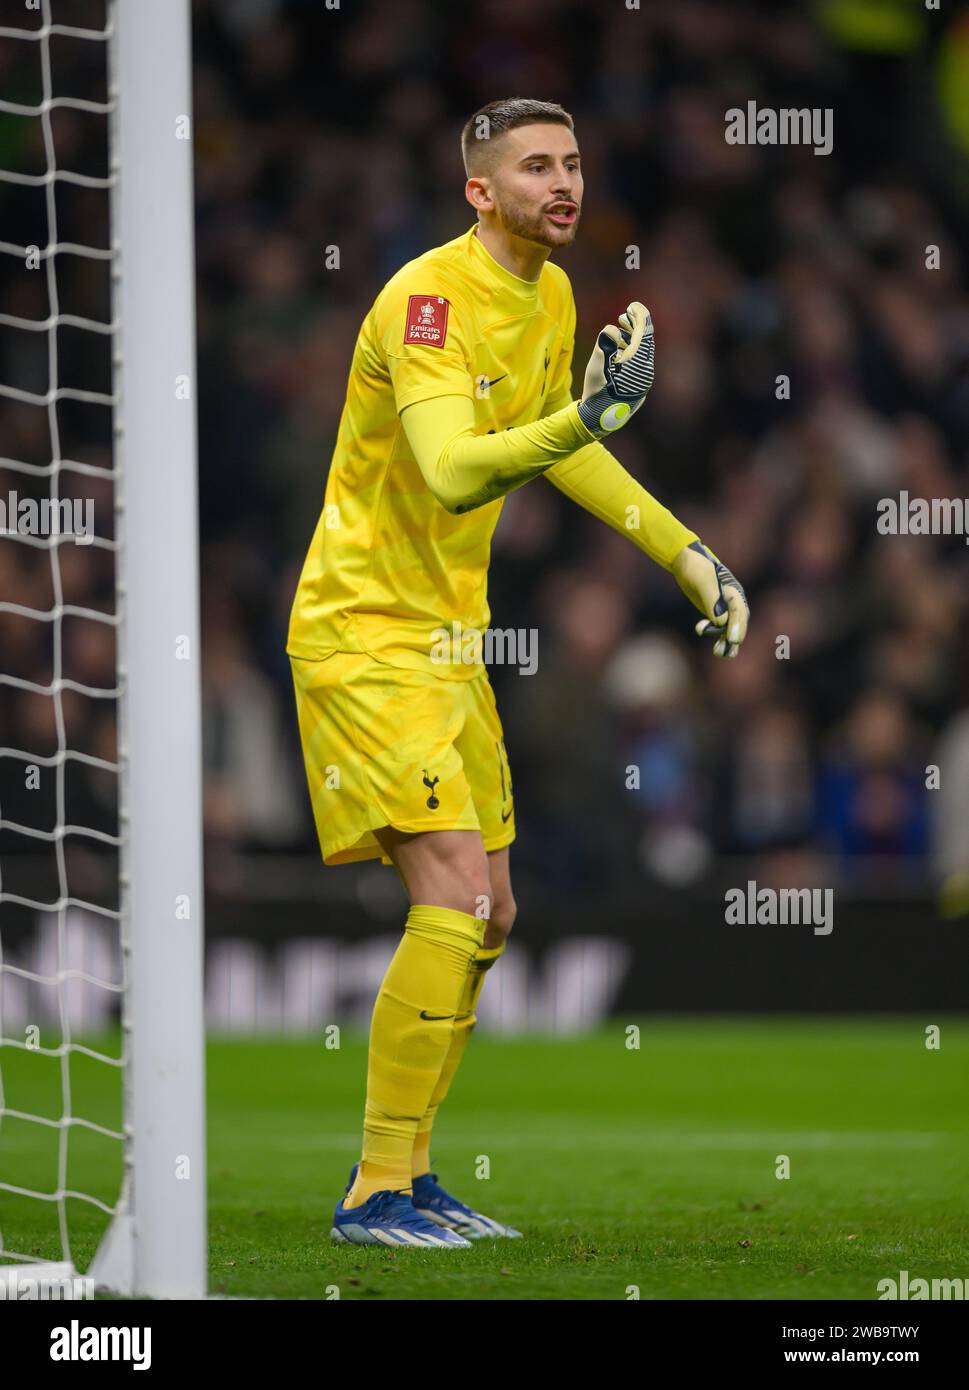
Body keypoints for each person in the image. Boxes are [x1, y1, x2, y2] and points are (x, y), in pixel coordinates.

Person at [287, 97, 749, 1248]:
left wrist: (684, 550)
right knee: (449, 891)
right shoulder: (427, 300)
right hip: (364, 631)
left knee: (492, 911)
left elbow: (565, 444)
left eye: (575, 162)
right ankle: (371, 1195)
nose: (564, 182)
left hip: (451, 639)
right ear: (478, 191)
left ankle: (413, 1171)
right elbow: (450, 472)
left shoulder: (549, 298)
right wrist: (583, 413)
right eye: (536, 165)